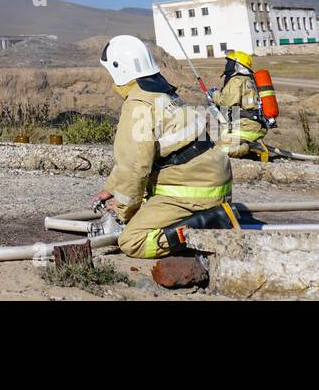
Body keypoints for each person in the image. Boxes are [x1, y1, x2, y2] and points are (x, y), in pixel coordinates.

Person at [92, 35, 237, 258]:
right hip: (212, 181)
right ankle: (212, 213)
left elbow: (136, 166)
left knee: (132, 240)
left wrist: (121, 212)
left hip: (191, 190)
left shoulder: (138, 105)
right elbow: (137, 160)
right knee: (142, 204)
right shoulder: (163, 93)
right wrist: (111, 188)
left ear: (118, 70)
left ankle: (208, 225)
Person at [212, 49, 270, 160]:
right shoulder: (252, 79)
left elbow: (226, 103)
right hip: (258, 126)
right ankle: (251, 145)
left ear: (237, 65)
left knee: (218, 150)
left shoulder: (237, 80)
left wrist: (214, 94)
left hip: (246, 127)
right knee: (224, 136)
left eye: (230, 62)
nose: (227, 65)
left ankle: (251, 146)